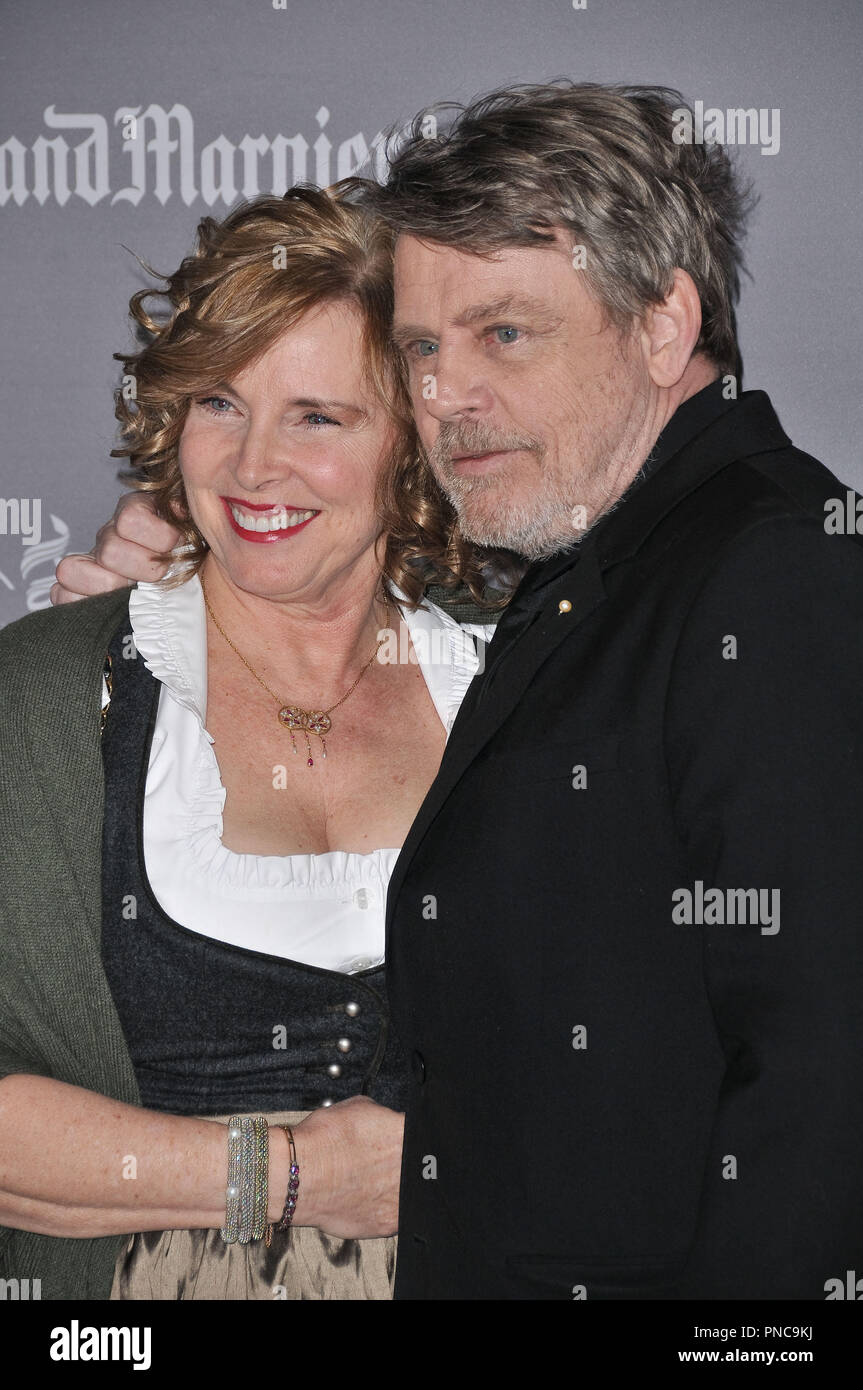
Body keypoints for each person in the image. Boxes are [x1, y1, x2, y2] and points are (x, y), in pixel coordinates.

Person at [61, 82, 863, 1301]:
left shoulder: (775, 566)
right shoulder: (593, 577)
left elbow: (823, 1071)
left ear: (662, 326)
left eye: (504, 335)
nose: (445, 397)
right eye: (424, 349)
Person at [0, 185, 508, 1301]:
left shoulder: (522, 686)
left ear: (414, 445)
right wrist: (288, 1175)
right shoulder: (46, 698)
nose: (251, 463)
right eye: (220, 404)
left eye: (318, 417)